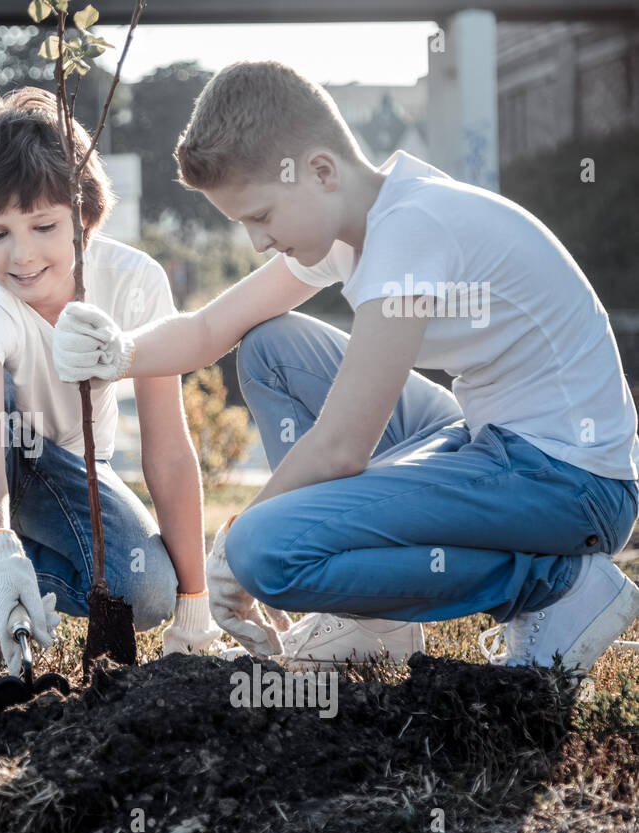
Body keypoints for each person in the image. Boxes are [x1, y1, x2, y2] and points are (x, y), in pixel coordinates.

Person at [52, 61, 639, 677]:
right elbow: (209, 330)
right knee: (271, 346)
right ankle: (374, 621)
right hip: (490, 438)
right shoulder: (363, 220)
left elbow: (340, 450)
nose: (256, 241)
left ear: (322, 171)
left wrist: (233, 545)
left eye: (261, 216)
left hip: (570, 480)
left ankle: (558, 585)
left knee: (266, 551)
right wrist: (119, 355)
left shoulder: (409, 233)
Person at [0, 87, 223, 680]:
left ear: (85, 216)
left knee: (145, 590)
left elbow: (169, 448)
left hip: (59, 471)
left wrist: (194, 610)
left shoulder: (136, 284)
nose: (22, 256)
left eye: (45, 226)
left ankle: (3, 577)